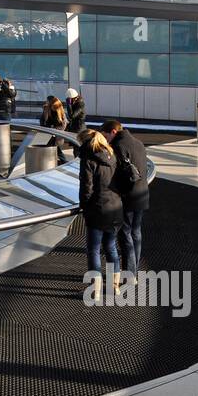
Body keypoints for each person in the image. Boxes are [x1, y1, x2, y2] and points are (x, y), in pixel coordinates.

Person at [78, 129, 123, 297]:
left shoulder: (89, 159)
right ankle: (114, 287)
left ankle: (95, 290)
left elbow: (86, 188)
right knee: (111, 247)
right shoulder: (112, 156)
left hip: (97, 209)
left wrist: (84, 206)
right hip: (116, 207)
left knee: (94, 250)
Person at [102, 119, 149, 278]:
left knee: (125, 234)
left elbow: (118, 174)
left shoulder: (118, 146)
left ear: (113, 132)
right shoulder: (138, 143)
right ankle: (134, 269)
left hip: (128, 197)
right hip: (142, 194)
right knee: (136, 232)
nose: (105, 140)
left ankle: (130, 272)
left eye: (106, 136)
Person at [41, 94, 67, 162]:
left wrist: (55, 129)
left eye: (54, 107)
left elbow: (63, 126)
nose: (53, 108)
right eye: (52, 107)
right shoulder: (47, 110)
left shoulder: (60, 113)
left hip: (58, 136)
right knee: (49, 151)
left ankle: (64, 162)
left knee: (58, 151)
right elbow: (43, 122)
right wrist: (48, 127)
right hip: (49, 134)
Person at [64, 87, 86, 161]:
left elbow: (72, 116)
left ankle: (78, 163)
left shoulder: (80, 103)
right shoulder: (75, 102)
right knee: (75, 149)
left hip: (79, 129)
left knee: (78, 148)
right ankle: (77, 162)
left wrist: (69, 105)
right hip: (74, 128)